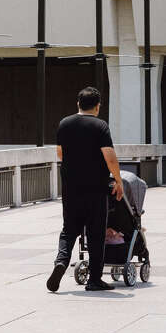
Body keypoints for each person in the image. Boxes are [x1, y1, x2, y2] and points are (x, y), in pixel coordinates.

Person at [46, 86, 123, 293]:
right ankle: (94, 280)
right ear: (98, 106)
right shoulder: (100, 126)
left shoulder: (65, 123)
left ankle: (61, 262)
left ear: (78, 104)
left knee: (68, 230)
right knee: (96, 233)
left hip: (71, 188)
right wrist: (118, 180)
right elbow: (110, 157)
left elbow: (60, 153)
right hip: (95, 188)